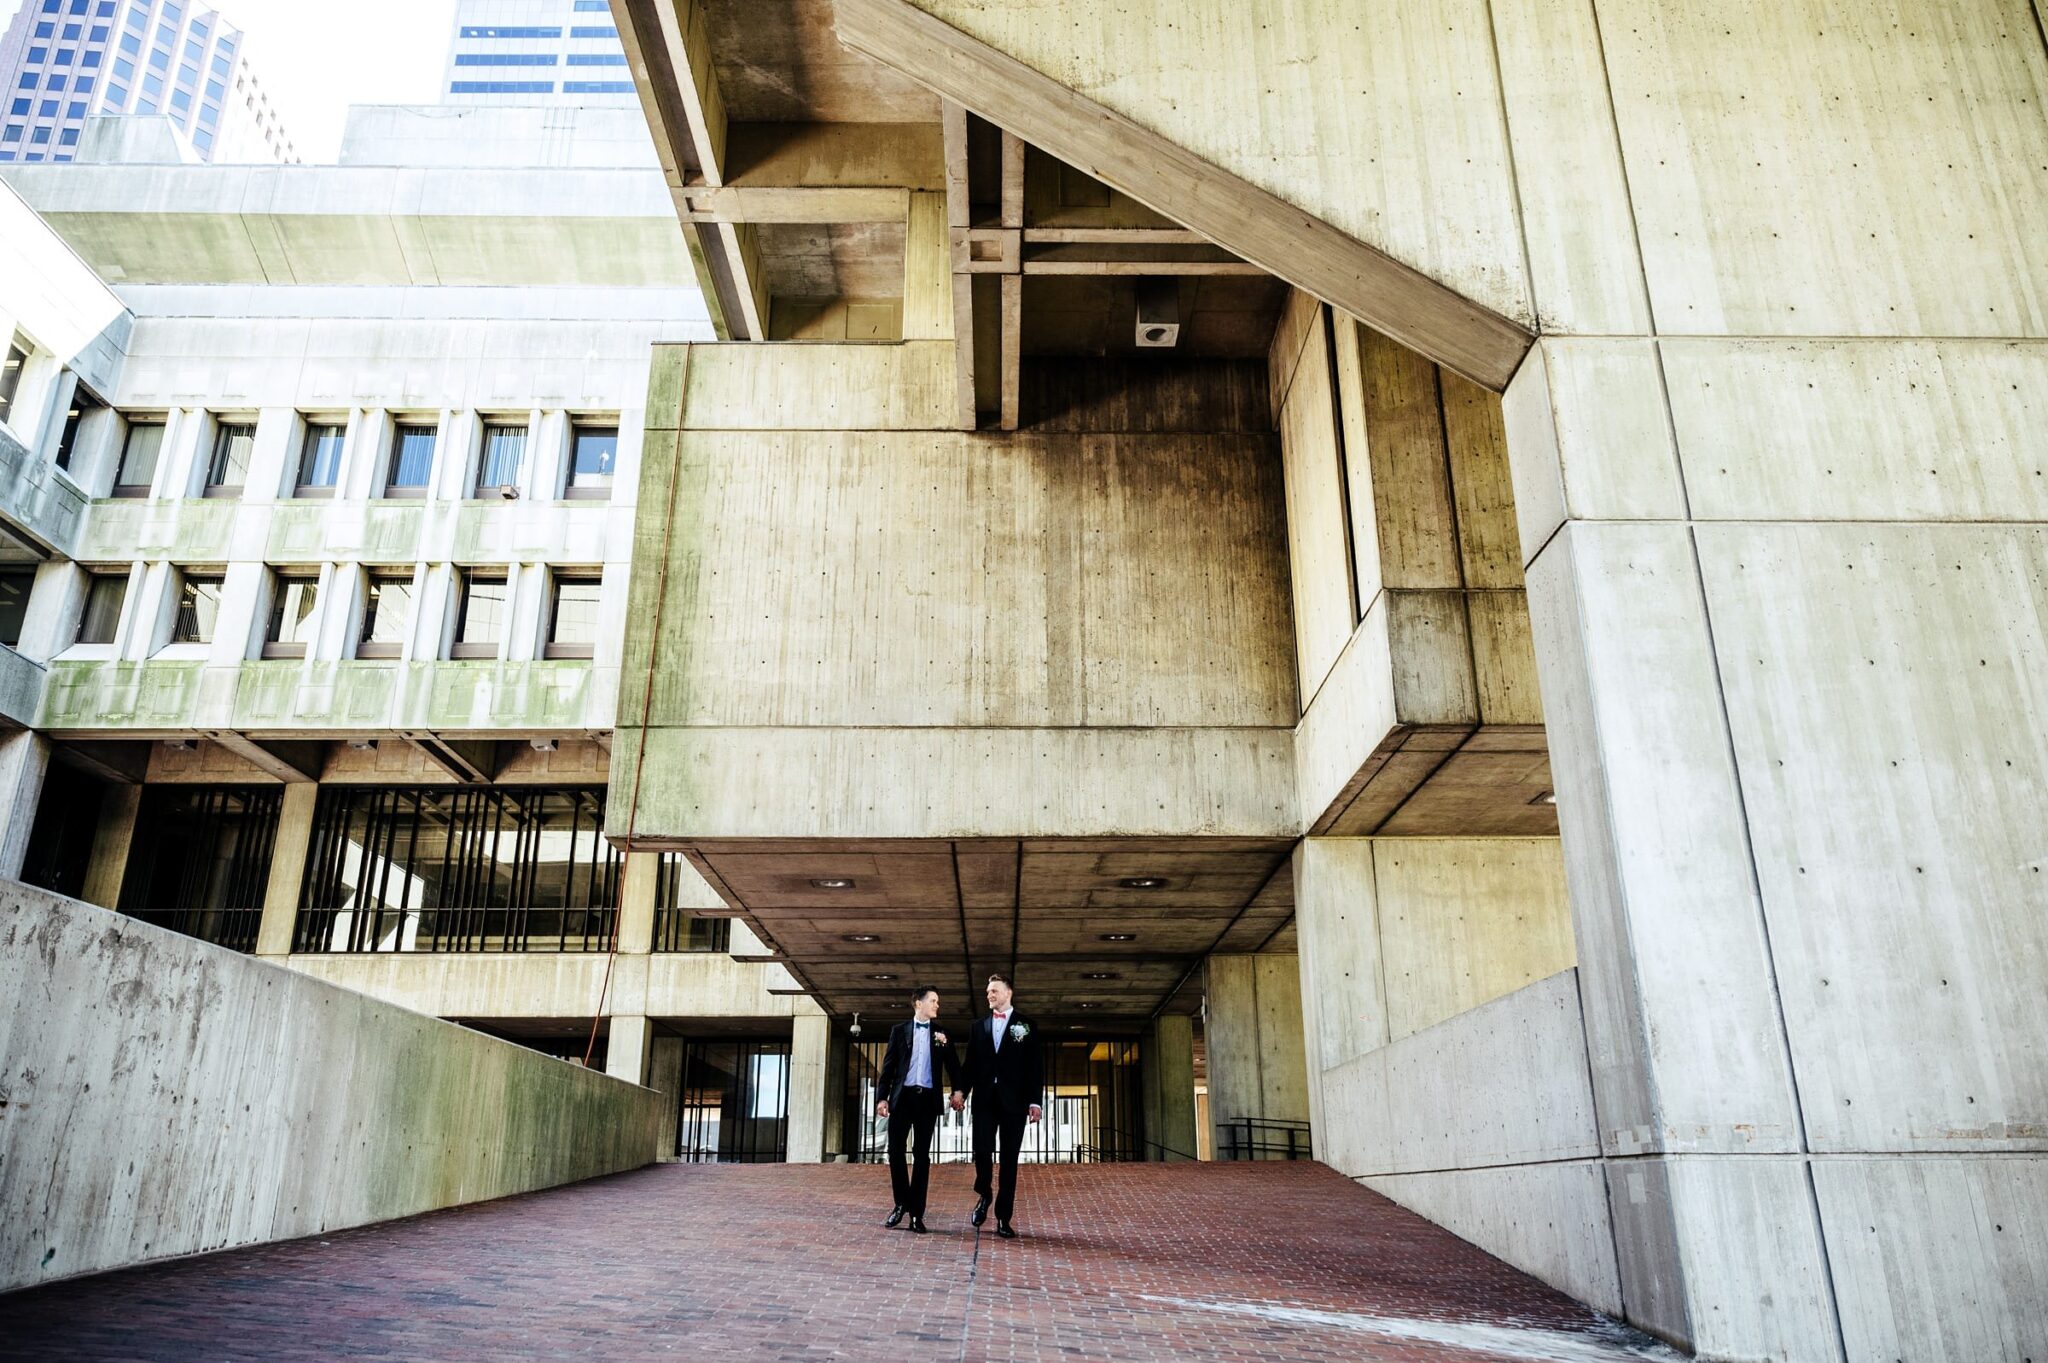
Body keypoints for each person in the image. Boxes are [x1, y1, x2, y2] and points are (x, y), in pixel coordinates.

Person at [873, 984, 964, 1233]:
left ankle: (917, 1214)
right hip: (902, 1099)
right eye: (933, 1000)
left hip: (927, 1102)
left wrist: (958, 1091)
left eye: (937, 1001)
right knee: (894, 1151)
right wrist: (882, 1099)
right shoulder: (899, 1031)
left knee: (922, 1156)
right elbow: (888, 1068)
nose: (937, 1005)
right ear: (918, 1003)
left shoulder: (942, 1033)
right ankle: (901, 1204)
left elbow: (954, 1066)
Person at [959, 972, 1042, 1239]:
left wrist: (1035, 1102)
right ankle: (984, 1194)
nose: (989, 995)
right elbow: (969, 1064)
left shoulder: (1026, 1026)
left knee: (1009, 1160)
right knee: (981, 1151)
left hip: (1014, 1102)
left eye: (994, 991)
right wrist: (961, 1091)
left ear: (1008, 993)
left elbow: (1034, 1067)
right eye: (987, 992)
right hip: (984, 1099)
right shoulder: (978, 1026)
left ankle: (1003, 1218)